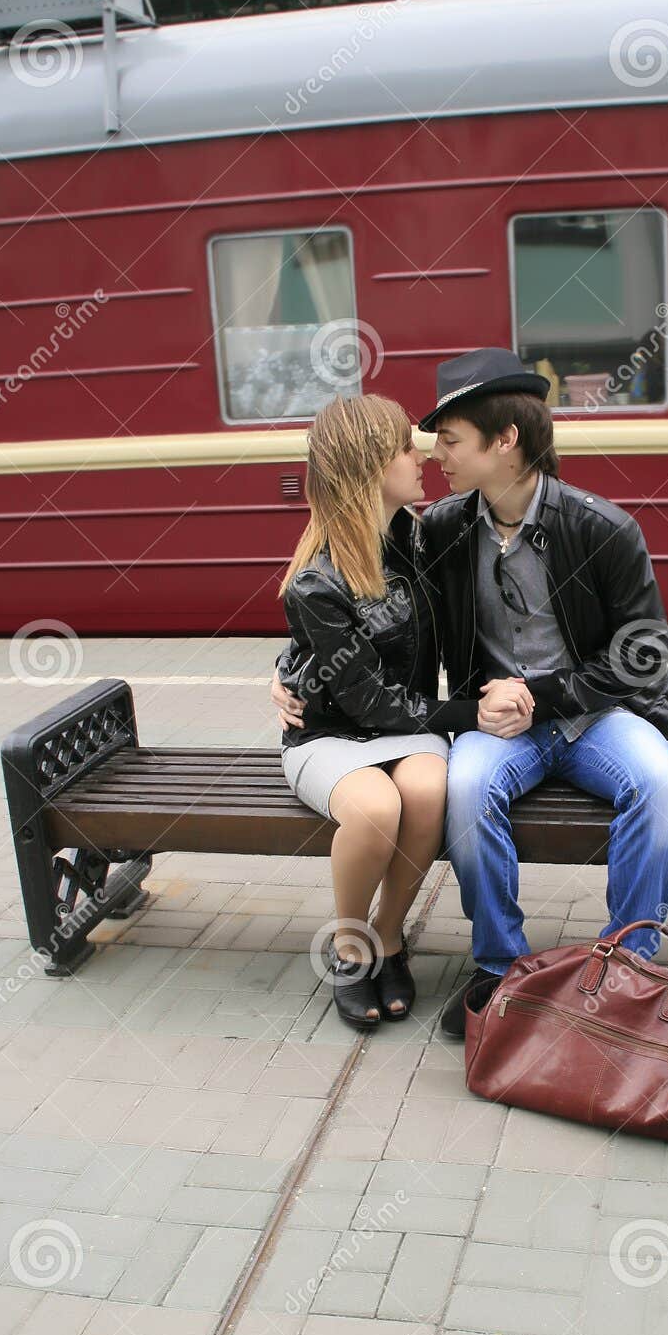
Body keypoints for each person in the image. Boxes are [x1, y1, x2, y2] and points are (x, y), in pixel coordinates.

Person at [274, 349, 668, 1040]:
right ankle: (498, 965)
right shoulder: (438, 529)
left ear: (506, 441)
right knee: (462, 789)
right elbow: (337, 581)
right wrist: (290, 667)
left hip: (593, 715)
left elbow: (644, 659)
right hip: (495, 726)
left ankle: (630, 964)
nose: (435, 455)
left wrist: (544, 694)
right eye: (426, 444)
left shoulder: (602, 529)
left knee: (659, 783)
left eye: (451, 441)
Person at [274, 392, 533, 1030]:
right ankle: (348, 944)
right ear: (368, 468)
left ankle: (388, 937)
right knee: (376, 808)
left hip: (408, 727)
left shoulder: (417, 539)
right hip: (330, 733)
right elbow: (366, 698)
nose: (417, 456)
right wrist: (471, 714)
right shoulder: (317, 579)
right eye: (399, 448)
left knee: (427, 787)